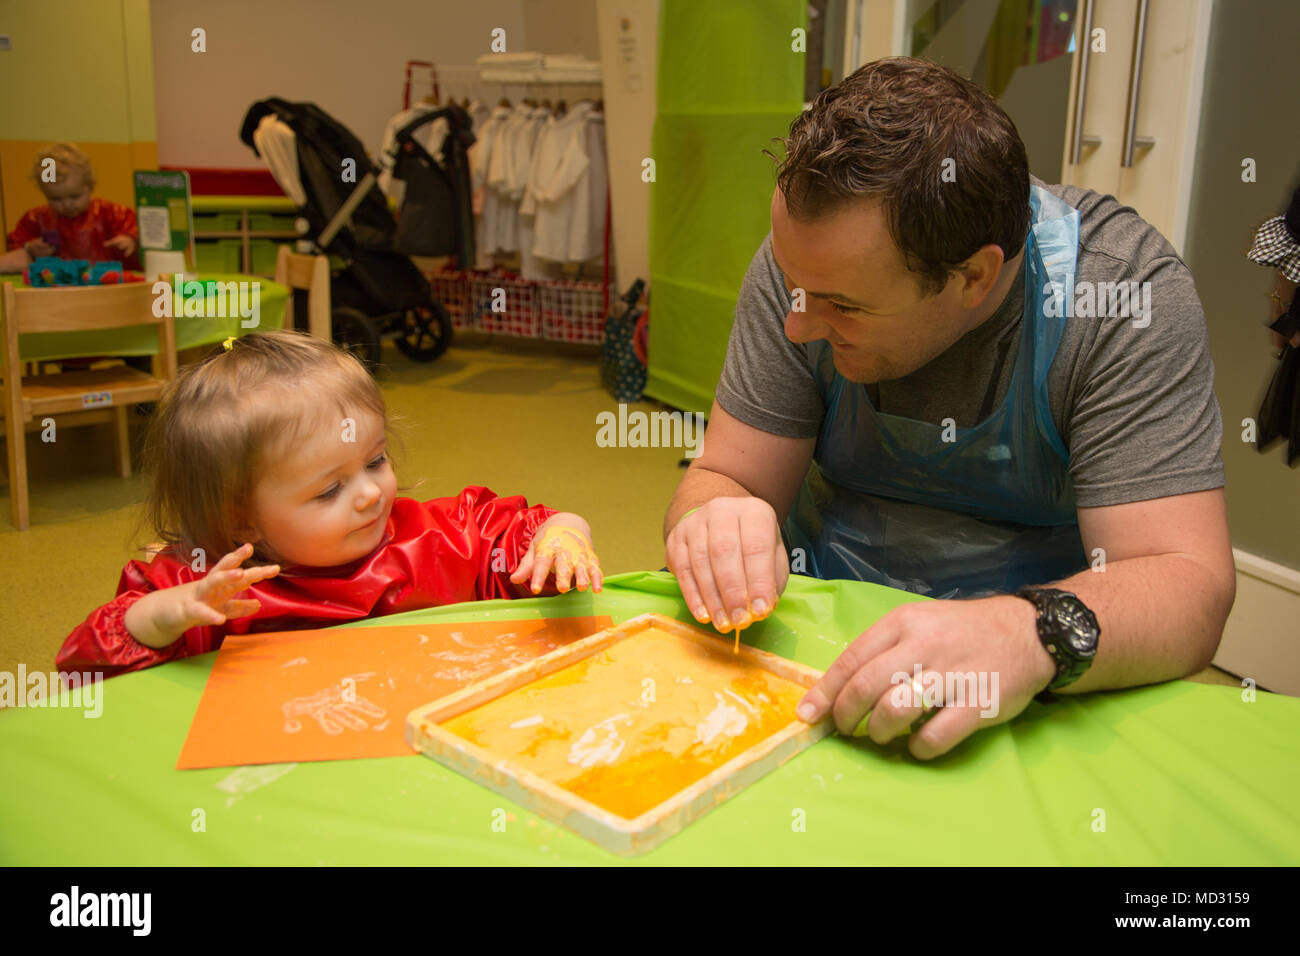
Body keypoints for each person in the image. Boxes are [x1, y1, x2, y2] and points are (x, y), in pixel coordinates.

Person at [663, 58, 1235, 759]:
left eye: (844, 306)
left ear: (974, 277)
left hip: (1035, 687)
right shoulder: (813, 266)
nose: (799, 323)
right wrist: (712, 519)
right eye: (794, 286)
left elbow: (1187, 581)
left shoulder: (1118, 298)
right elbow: (728, 477)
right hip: (818, 663)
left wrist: (1027, 631)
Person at [58, 330, 603, 679]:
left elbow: (523, 531)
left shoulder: (435, 538)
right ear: (241, 517)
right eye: (328, 490)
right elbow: (88, 662)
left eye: (375, 461)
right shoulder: (217, 590)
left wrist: (564, 533)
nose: (370, 494)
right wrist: (168, 613)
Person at [6, 143, 141, 271]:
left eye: (75, 196)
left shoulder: (111, 213)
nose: (67, 204)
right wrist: (29, 247)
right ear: (44, 193)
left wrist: (131, 240)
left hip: (108, 283)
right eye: (56, 199)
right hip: (57, 287)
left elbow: (138, 230)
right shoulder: (37, 219)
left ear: (90, 186)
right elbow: (15, 243)